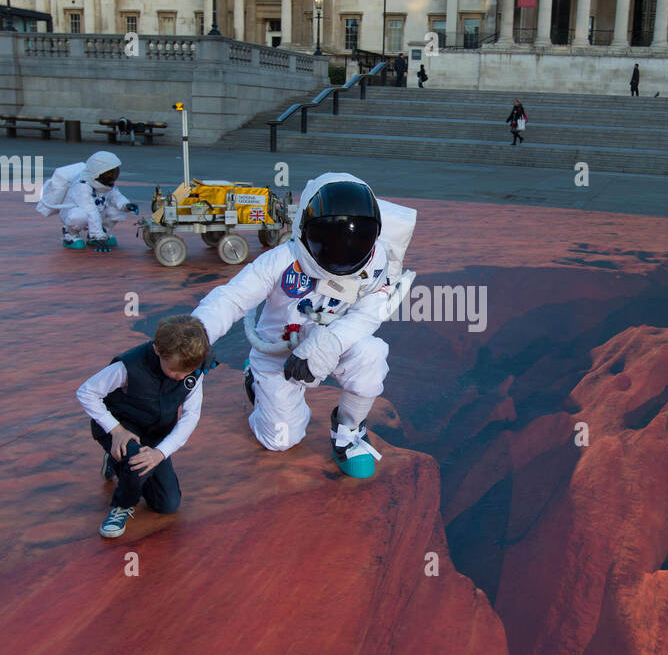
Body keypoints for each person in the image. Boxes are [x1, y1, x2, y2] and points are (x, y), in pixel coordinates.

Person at [189, 173, 416, 479]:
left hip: (335, 345)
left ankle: (348, 432)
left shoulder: (377, 263)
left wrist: (330, 343)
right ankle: (255, 379)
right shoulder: (281, 261)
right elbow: (232, 298)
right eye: (332, 239)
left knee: (371, 355)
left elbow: (370, 312)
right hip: (278, 352)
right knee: (280, 440)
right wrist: (197, 334)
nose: (344, 249)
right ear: (306, 228)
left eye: (356, 240)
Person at [76, 315, 210, 538]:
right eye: (175, 371)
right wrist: (115, 429)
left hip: (156, 433)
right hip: (121, 426)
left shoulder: (192, 368)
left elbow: (191, 415)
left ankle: (118, 462)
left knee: (168, 504)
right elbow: (86, 392)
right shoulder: (128, 366)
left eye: (187, 372)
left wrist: (160, 453)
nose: (181, 377)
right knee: (137, 465)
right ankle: (121, 506)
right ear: (157, 350)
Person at [36, 150, 138, 250]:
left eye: (113, 172)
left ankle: (98, 233)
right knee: (80, 216)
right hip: (73, 212)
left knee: (117, 210)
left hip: (97, 210)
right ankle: (70, 234)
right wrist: (98, 237)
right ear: (97, 172)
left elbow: (115, 196)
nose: (111, 176)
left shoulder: (105, 184)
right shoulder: (82, 186)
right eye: (108, 173)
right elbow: (91, 211)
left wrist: (126, 205)